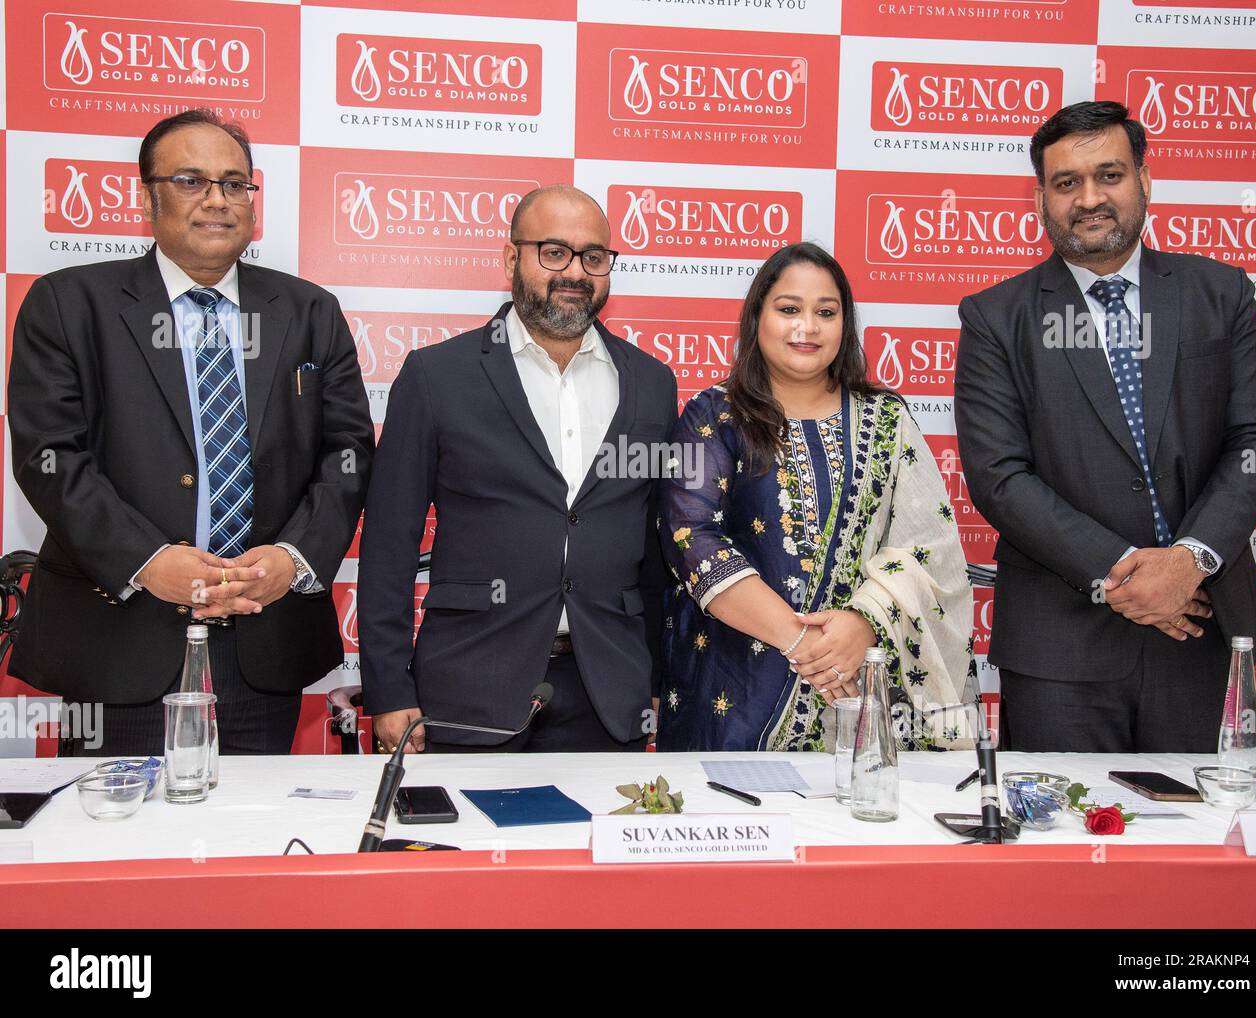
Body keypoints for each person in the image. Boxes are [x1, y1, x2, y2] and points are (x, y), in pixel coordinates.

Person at [7, 109, 374, 756]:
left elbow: (346, 454)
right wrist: (149, 563)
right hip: (119, 639)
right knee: (117, 849)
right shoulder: (69, 303)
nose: (217, 200)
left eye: (236, 184)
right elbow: (50, 457)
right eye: (190, 180)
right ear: (146, 195)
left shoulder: (309, 312)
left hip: (264, 643)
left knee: (251, 845)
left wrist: (290, 559)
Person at [954, 100, 1256, 753]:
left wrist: (1188, 563)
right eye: (1066, 182)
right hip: (1061, 645)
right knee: (1063, 841)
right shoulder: (997, 317)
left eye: (1109, 175)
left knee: (1198, 844)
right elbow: (999, 477)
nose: (1089, 198)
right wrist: (1126, 571)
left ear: (1144, 180)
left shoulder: (1220, 294)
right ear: (1042, 198)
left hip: (1200, 623)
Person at [358, 185, 678, 753]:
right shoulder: (436, 377)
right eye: (553, 251)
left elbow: (652, 549)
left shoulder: (651, 384)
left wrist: (651, 679)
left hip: (607, 692)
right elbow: (389, 544)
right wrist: (387, 690)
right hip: (467, 689)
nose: (575, 272)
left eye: (593, 257)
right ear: (512, 259)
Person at [657, 242, 974, 752]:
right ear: (757, 316)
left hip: (864, 689)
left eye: (826, 312)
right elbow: (690, 536)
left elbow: (928, 551)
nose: (807, 326)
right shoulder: (714, 416)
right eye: (788, 309)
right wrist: (806, 644)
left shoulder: (886, 419)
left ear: (845, 325)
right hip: (736, 690)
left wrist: (865, 622)